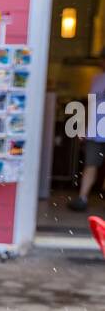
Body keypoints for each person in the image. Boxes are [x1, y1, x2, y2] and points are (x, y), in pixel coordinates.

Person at [69, 49, 105, 211]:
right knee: (90, 164)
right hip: (95, 129)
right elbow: (91, 104)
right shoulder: (96, 79)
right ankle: (82, 198)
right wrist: (83, 127)